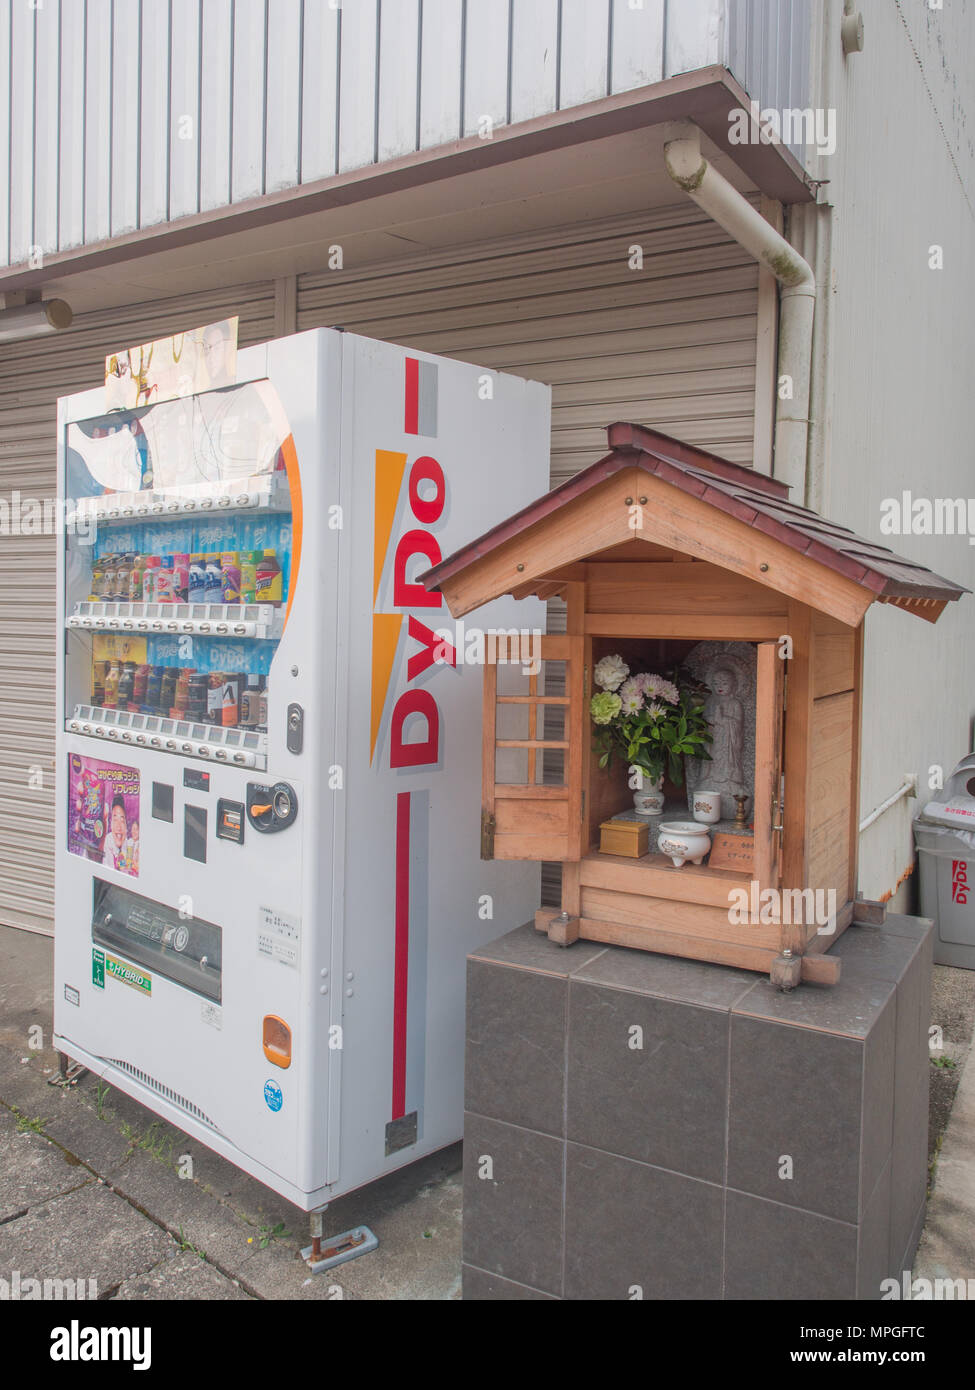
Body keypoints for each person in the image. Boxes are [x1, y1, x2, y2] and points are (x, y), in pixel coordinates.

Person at [103, 794, 136, 875]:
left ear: (126, 826)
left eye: (122, 821)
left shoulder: (129, 845)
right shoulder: (106, 842)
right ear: (110, 823)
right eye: (115, 820)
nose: (119, 827)